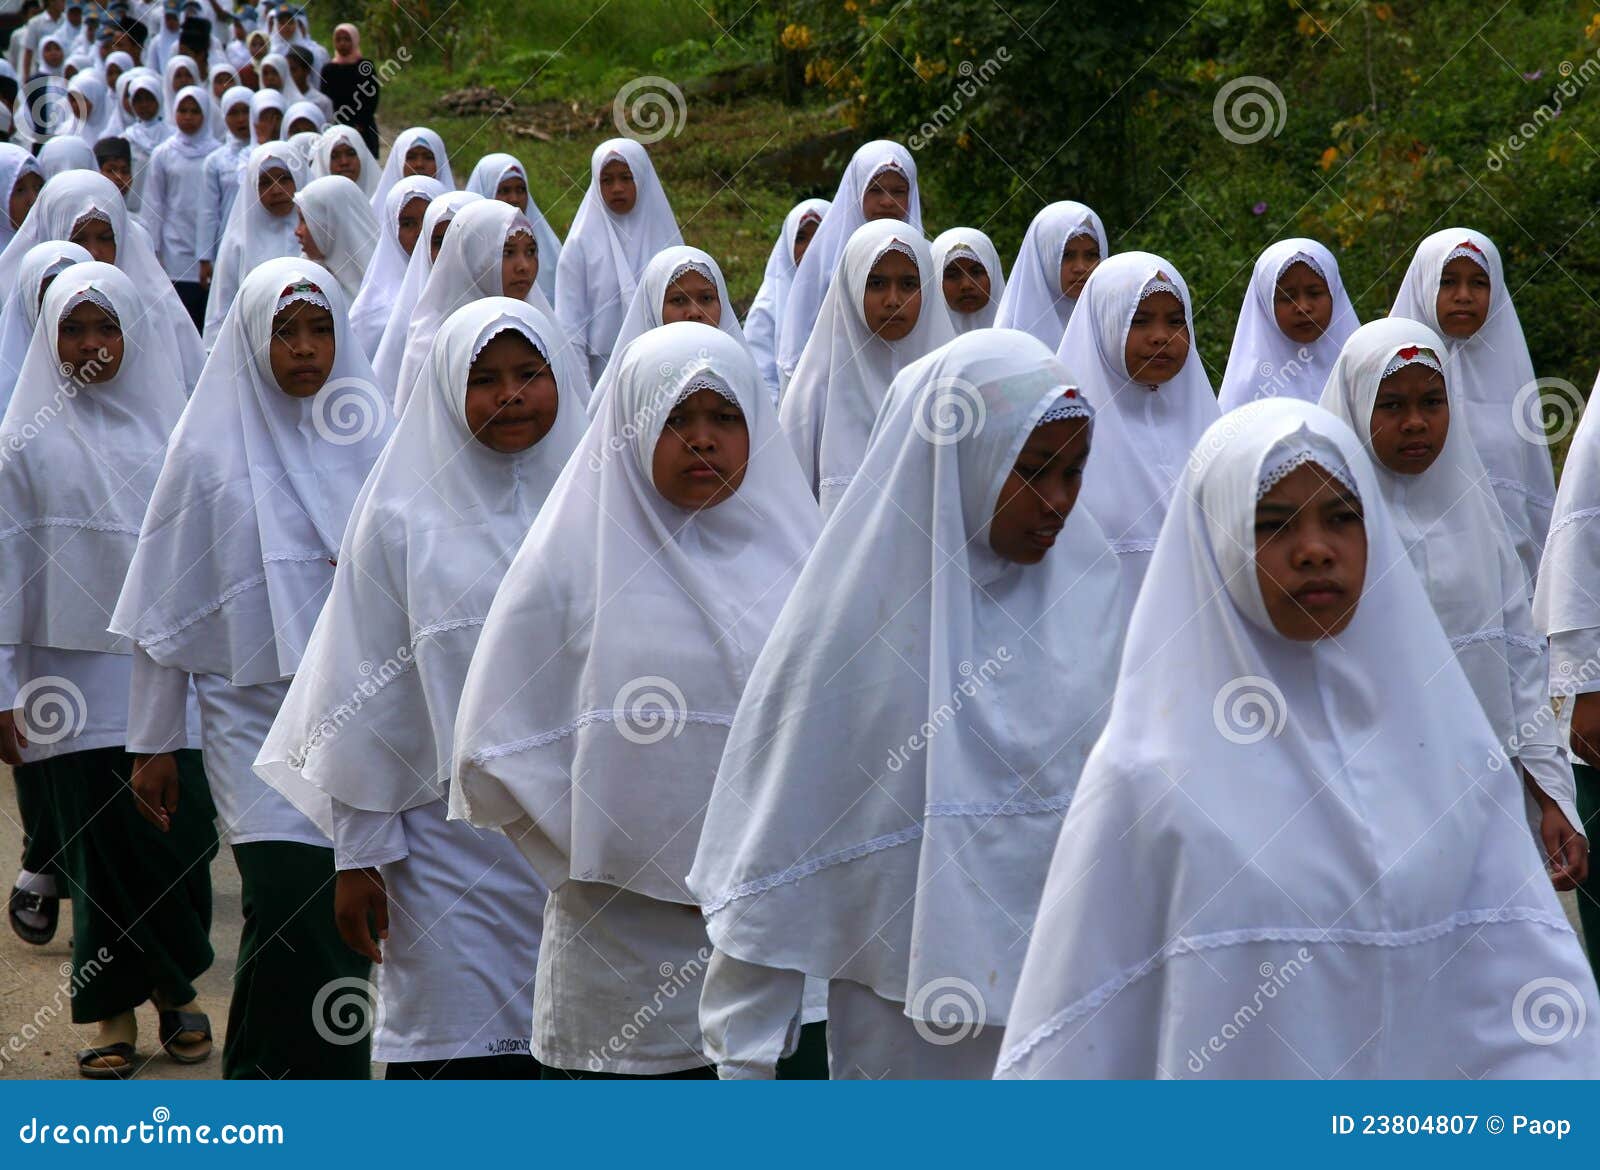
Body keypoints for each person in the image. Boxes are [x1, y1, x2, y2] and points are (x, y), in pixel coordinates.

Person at [995, 398, 1600, 1079]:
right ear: (1215, 541)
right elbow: (1080, 1037)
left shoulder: (1452, 754)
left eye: (1343, 519)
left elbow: (1524, 988)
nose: (1315, 550)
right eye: (1272, 524)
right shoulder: (1146, 780)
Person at [692, 330, 1124, 1079]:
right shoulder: (849, 644)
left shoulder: (1096, 604)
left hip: (1069, 1029)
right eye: (1032, 471)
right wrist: (746, 1063)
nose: (1058, 501)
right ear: (956, 464)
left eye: (1075, 472)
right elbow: (769, 864)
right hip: (908, 1043)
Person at [452, 323, 820, 1078]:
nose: (702, 441)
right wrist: (628, 859)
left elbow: (837, 739)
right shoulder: (570, 567)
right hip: (621, 945)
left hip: (770, 941)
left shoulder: (802, 566)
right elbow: (500, 748)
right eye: (677, 420)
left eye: (724, 419)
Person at [256, 298, 587, 1079]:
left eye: (529, 375)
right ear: (445, 389)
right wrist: (359, 853)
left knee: (577, 1059)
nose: (509, 395)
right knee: (458, 1065)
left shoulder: (598, 508)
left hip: (584, 850)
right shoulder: (400, 517)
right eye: (484, 379)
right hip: (445, 854)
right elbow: (361, 693)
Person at [111, 257, 392, 1079]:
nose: (305, 350)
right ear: (249, 341)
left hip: (361, 717)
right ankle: (265, 1090)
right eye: (285, 333)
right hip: (252, 717)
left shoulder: (372, 438)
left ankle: (322, 1094)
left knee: (351, 909)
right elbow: (167, 608)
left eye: (319, 331)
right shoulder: (204, 455)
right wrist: (156, 740)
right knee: (285, 895)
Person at [1, 261, 216, 1079]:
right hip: (68, 682)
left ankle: (171, 979)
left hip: (172, 675)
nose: (92, 346)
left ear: (133, 333)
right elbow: (5, 567)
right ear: (48, 340)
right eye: (73, 330)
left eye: (106, 328)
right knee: (100, 850)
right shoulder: (22, 443)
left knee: (179, 835)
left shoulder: (176, 433)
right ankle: (114, 1011)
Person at [1319, 316, 1585, 885]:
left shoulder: (1477, 520)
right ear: (1355, 404)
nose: (1416, 423)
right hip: (1365, 814)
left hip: (1481, 801)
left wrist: (1552, 796)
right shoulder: (1327, 538)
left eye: (1432, 402)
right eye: (1390, 405)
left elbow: (1521, 665)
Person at [1, 236, 93, 950]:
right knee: (47, 758)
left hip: (108, 628)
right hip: (38, 622)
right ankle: (44, 857)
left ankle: (58, 868)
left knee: (100, 777)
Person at [1391, 229, 1554, 593]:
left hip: (1504, 586)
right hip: (1416, 583)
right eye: (1448, 282)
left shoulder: (1513, 381)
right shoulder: (1389, 380)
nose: (1463, 296)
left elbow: (1532, 493)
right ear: (1424, 284)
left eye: (1478, 282)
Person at [1055, 251, 1218, 597]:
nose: (1161, 336)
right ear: (1103, 323)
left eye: (1175, 322)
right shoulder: (1064, 442)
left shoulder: (1213, 431)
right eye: (1140, 321)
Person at [779, 219, 953, 515]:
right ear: (851, 286)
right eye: (876, 283)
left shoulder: (953, 384)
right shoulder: (813, 392)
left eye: (909, 284)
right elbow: (786, 508)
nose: (893, 300)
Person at [0, 170, 204, 386]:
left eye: (106, 238)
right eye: (78, 240)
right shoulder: (23, 306)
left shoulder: (157, 311)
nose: (94, 253)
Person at [776, 140, 919, 388]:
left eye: (898, 191)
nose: (887, 201)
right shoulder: (827, 261)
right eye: (875, 190)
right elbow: (802, 341)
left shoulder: (926, 259)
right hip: (840, 388)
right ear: (855, 192)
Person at [553, 137, 680, 382]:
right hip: (603, 373)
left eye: (626, 177)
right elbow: (570, 327)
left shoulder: (667, 240)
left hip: (663, 367)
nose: (617, 188)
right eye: (607, 180)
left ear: (641, 178)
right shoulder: (581, 245)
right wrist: (582, 392)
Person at [584, 244, 746, 420]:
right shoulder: (631, 381)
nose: (694, 312)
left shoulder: (740, 373)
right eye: (678, 300)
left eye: (706, 298)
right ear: (654, 306)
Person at [1218, 237, 1359, 412]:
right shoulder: (1248, 389)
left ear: (1333, 294)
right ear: (1266, 305)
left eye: (1314, 293)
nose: (1303, 307)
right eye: (1287, 298)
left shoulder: (1361, 370)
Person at [202, 138, 301, 343]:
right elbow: (223, 307)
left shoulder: (318, 233)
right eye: (265, 182)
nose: (276, 190)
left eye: (284, 179)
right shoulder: (238, 241)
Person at [140, 81, 214, 329]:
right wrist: (153, 250)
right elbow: (154, 203)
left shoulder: (216, 154)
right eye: (183, 111)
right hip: (174, 251)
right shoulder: (163, 153)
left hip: (208, 250)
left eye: (195, 111)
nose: (189, 117)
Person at [347, 172, 441, 358]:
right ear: (392, 230)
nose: (421, 232)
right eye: (407, 224)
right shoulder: (372, 310)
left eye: (430, 220)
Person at [743, 196, 827, 402]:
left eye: (821, 238)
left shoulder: (855, 295)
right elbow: (761, 379)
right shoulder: (768, 307)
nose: (811, 248)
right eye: (801, 238)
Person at [993, 201, 1107, 351]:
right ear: (1042, 259)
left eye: (1091, 255)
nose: (1081, 268)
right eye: (1067, 255)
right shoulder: (1008, 341)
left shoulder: (1115, 327)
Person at [465, 151, 561, 301]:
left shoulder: (549, 247)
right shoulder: (467, 250)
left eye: (520, 190)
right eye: (504, 191)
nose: (514, 198)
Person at [292, 172, 376, 305]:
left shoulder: (382, 287)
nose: (297, 231)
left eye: (304, 220)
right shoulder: (301, 282)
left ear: (332, 223)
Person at [194, 82, 248, 285]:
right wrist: (205, 257)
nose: (241, 119)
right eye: (234, 113)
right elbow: (208, 211)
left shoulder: (268, 154)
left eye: (246, 111)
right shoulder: (216, 160)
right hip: (227, 242)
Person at [930, 227, 1006, 335]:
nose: (966, 285)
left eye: (977, 272)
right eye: (952, 275)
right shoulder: (918, 345)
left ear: (993, 273)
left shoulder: (1019, 335)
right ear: (936, 280)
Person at [317, 21, 376, 155]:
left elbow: (371, 96)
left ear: (355, 40)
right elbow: (325, 98)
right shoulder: (329, 69)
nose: (342, 43)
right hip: (336, 123)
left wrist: (361, 123)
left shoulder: (365, 66)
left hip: (362, 124)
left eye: (346, 39)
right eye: (338, 39)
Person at [367, 125, 450, 215]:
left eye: (428, 157)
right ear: (398, 163)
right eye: (411, 157)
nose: (419, 164)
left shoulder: (456, 212)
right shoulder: (373, 215)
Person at [310, 122, 374, 196]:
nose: (344, 162)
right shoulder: (311, 205)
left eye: (351, 154)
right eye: (334, 156)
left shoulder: (383, 201)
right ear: (323, 162)